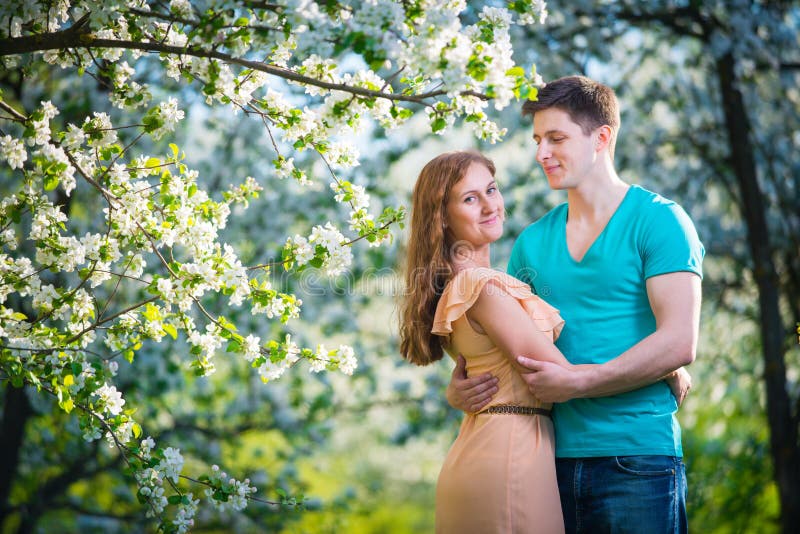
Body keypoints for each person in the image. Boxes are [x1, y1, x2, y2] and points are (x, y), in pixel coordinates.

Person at [446, 76, 704, 533]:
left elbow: (680, 341)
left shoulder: (660, 222)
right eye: (537, 140)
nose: (541, 153)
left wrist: (585, 380)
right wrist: (459, 388)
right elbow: (511, 345)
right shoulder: (531, 243)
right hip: (547, 463)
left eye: (556, 138)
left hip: (638, 460)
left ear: (601, 137)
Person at [399, 150, 570, 533]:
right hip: (509, 458)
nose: (489, 205)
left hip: (501, 448)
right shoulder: (479, 286)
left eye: (491, 190)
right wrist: (655, 369)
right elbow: (561, 374)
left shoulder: (470, 282)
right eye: (470, 198)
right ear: (442, 216)